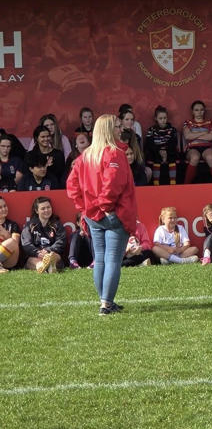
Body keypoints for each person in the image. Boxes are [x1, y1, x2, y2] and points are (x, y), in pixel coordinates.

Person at [67, 114, 138, 314]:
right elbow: (113, 183)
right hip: (112, 213)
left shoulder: (85, 156)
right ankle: (106, 303)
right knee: (112, 259)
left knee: (100, 258)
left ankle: (105, 301)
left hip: (93, 215)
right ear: (107, 130)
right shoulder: (115, 154)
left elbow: (72, 187)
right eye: (116, 126)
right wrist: (105, 207)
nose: (120, 130)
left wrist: (85, 208)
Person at [21, 196, 67, 273]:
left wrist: (48, 250)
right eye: (43, 208)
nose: (46, 210)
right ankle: (43, 267)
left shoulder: (57, 224)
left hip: (52, 253)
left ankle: (48, 266)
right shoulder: (30, 225)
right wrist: (37, 253)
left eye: (48, 207)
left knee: (54, 256)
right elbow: (26, 244)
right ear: (36, 210)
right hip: (36, 256)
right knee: (31, 260)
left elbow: (61, 241)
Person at [182, 100, 212, 184]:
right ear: (192, 111)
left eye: (201, 110)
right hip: (192, 148)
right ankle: (185, 185)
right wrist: (204, 133)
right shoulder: (188, 122)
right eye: (196, 110)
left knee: (210, 158)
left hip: (207, 147)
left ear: (204, 111)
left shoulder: (210, 122)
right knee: (195, 157)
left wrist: (194, 134)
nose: (199, 112)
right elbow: (188, 136)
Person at [144, 105, 179, 185]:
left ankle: (173, 182)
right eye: (160, 118)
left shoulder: (172, 129)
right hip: (156, 150)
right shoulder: (151, 130)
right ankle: (156, 183)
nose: (163, 120)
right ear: (156, 118)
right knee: (156, 158)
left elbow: (173, 142)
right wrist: (159, 151)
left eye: (165, 118)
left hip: (169, 151)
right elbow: (149, 143)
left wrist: (165, 151)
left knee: (172, 157)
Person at [0, 196, 21, 272]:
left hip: (8, 260)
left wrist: (5, 233)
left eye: (5, 206)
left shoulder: (13, 225)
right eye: (0, 207)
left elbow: (15, 243)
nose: (4, 209)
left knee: (12, 242)